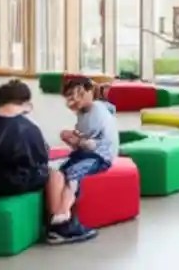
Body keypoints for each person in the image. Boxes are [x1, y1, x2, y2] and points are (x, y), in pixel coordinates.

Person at [44, 77, 119, 245]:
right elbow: (83, 142)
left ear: (88, 92)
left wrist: (76, 140)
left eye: (78, 94)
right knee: (60, 171)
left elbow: (92, 145)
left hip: (99, 156)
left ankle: (63, 216)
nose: (74, 100)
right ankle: (59, 219)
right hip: (86, 153)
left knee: (72, 175)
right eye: (70, 96)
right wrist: (72, 139)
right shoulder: (84, 113)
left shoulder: (97, 110)